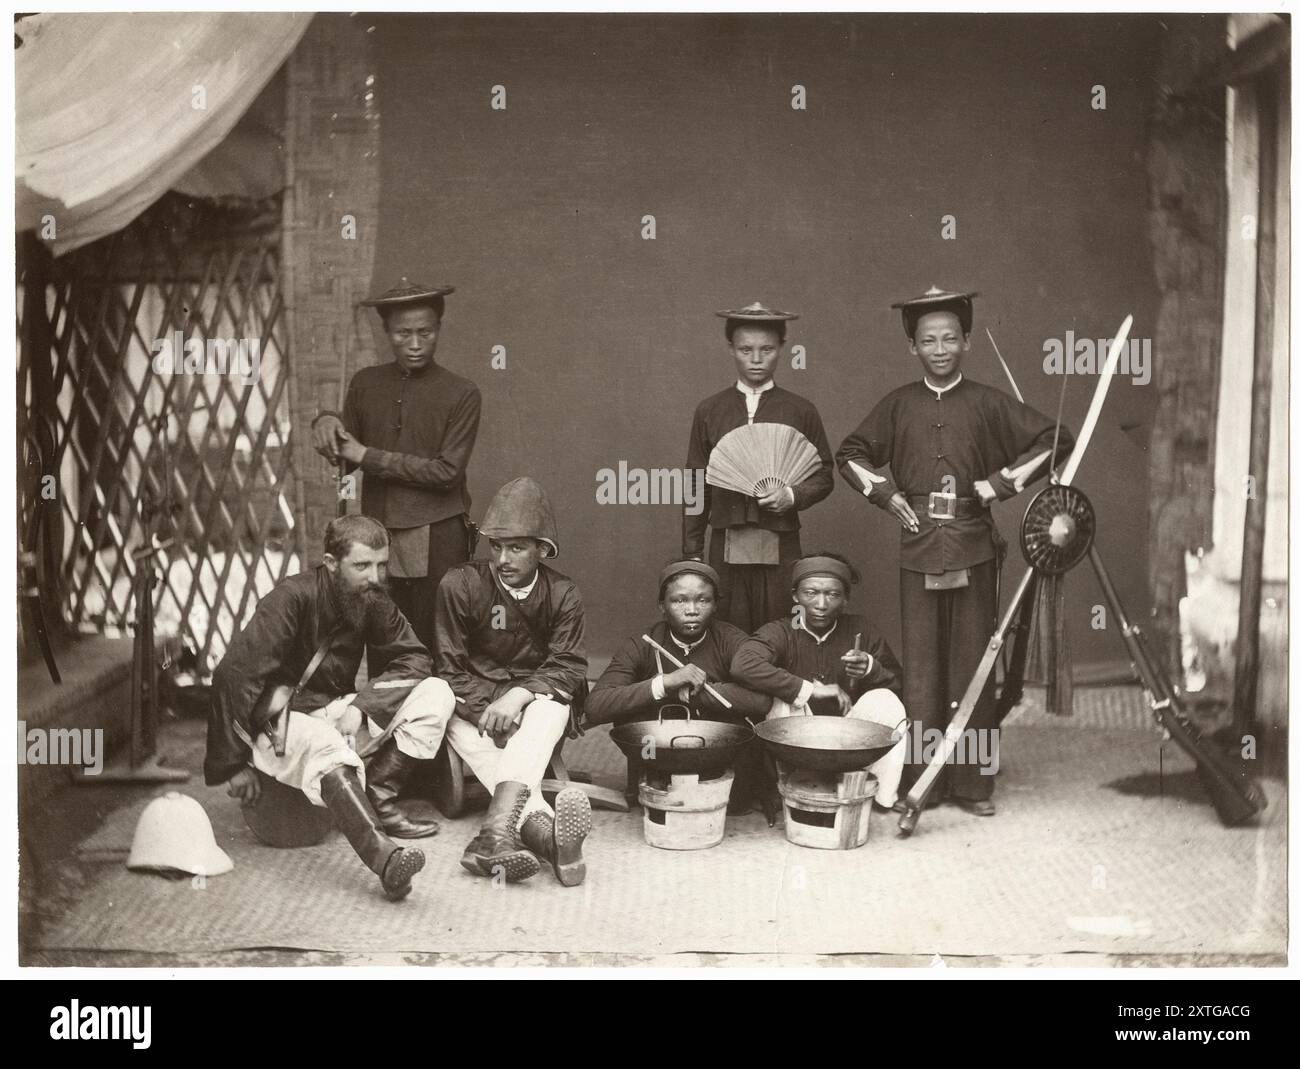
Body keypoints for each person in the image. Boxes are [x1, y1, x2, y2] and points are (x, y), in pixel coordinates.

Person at [835, 287, 1073, 816]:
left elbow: (1058, 438)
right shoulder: (897, 404)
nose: (939, 348)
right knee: (921, 672)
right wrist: (887, 494)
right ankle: (925, 782)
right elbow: (849, 455)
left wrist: (1000, 484)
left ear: (966, 342)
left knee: (973, 667)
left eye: (949, 338)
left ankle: (972, 786)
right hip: (917, 548)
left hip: (972, 547)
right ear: (912, 348)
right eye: (927, 340)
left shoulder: (988, 401)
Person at [205, 515, 452, 901]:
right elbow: (233, 676)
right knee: (325, 744)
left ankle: (379, 799)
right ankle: (386, 860)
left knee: (437, 694)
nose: (375, 576)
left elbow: (415, 659)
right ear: (332, 562)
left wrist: (363, 706)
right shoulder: (289, 598)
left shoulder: (371, 599)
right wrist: (233, 764)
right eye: (362, 565)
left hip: (337, 712)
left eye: (381, 565)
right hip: (281, 723)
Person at [435, 477, 593, 887]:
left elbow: (569, 666)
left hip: (537, 698)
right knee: (451, 717)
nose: (503, 558)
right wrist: (487, 709)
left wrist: (519, 698)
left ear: (543, 549)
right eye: (496, 546)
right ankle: (549, 840)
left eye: (517, 547)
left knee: (548, 710)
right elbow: (449, 668)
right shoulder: (461, 584)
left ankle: (492, 836)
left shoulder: (563, 593)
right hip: (475, 700)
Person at [312, 278, 481, 657]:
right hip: (379, 534)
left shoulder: (462, 392)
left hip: (440, 536)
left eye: (426, 332)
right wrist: (324, 422)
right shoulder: (365, 383)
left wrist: (366, 455)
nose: (416, 344)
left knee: (440, 643)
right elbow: (345, 455)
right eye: (403, 333)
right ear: (387, 331)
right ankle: (381, 717)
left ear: (439, 328)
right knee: (383, 640)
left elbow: (446, 473)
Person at [683, 302, 834, 633]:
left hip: (781, 541)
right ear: (731, 350)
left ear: (781, 349)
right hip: (725, 539)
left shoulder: (800, 410)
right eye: (745, 349)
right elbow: (695, 483)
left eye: (766, 349)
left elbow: (824, 475)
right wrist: (692, 554)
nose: (755, 358)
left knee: (781, 626)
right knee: (725, 626)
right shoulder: (710, 410)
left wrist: (793, 495)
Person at [730, 553, 908, 811]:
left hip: (849, 739)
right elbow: (742, 664)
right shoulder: (781, 630)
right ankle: (790, 784)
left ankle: (880, 795)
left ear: (845, 599)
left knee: (886, 701)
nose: (821, 604)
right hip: (798, 741)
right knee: (780, 699)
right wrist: (810, 690)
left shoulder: (861, 629)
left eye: (833, 595)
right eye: (811, 593)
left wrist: (871, 668)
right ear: (795, 596)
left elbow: (899, 686)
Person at [585, 560, 771, 806]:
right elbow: (596, 706)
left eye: (703, 600)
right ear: (662, 606)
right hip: (654, 755)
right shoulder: (642, 644)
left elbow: (762, 700)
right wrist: (664, 684)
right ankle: (651, 785)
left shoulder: (731, 640)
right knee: (633, 721)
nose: (691, 609)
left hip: (716, 756)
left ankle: (731, 793)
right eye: (679, 600)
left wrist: (695, 693)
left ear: (715, 605)